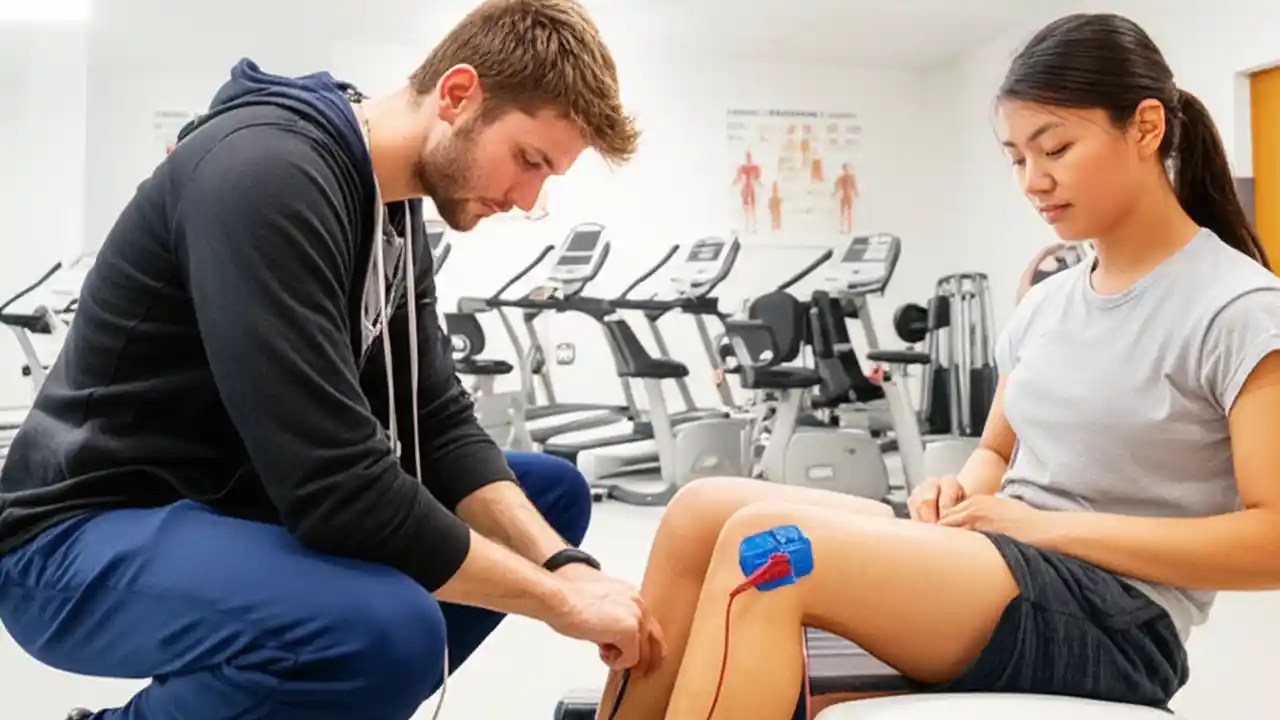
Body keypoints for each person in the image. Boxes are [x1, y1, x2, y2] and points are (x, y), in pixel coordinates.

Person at [596, 13, 1280, 720]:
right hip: (1006, 560)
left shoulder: (1239, 307)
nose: (1033, 181)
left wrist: (1043, 529)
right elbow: (995, 451)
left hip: (1120, 615)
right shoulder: (1048, 303)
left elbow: (1273, 541)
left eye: (1056, 149)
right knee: (700, 511)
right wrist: (954, 492)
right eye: (1016, 158)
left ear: (1145, 128)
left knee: (771, 550)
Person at [0, 1, 666, 719]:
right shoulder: (266, 173)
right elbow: (336, 488)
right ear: (458, 94)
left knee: (548, 498)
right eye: (528, 160)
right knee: (384, 629)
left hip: (228, 507)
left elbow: (437, 421)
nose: (527, 197)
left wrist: (565, 565)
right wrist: (561, 601)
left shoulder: (389, 205)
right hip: (76, 542)